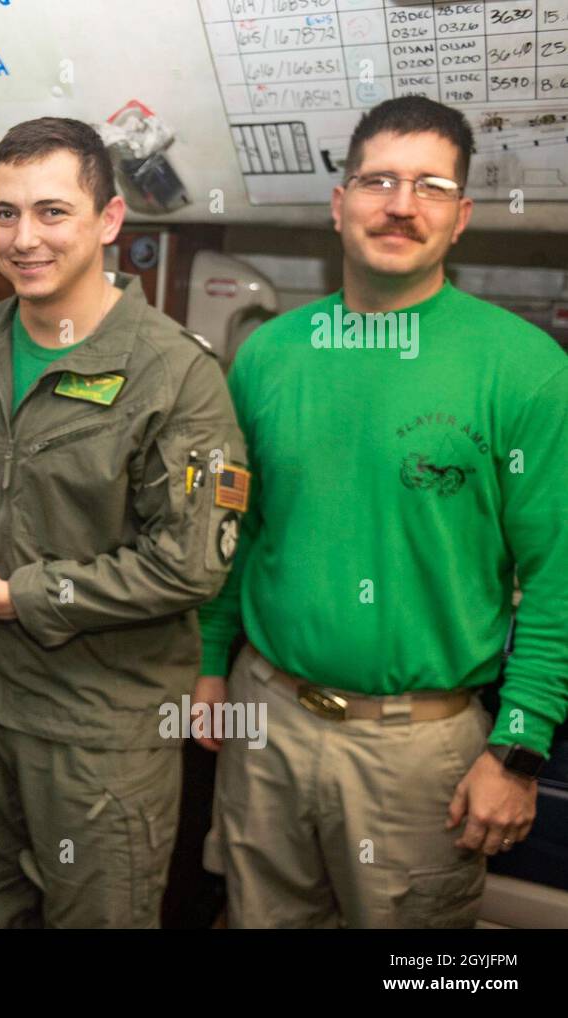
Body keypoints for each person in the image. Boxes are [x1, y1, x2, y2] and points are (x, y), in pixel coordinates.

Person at [194, 96, 568, 928]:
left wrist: (516, 750)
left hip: (418, 754)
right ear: (340, 204)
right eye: (379, 180)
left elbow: (557, 580)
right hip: (267, 724)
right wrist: (212, 662)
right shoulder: (268, 356)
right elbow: (239, 530)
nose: (401, 205)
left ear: (462, 216)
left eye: (430, 186)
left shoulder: (525, 369)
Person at [0, 117, 248, 928]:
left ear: (109, 221)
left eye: (52, 212)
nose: (24, 238)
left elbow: (189, 565)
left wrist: (16, 597)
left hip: (97, 735)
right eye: (4, 213)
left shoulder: (176, 375)